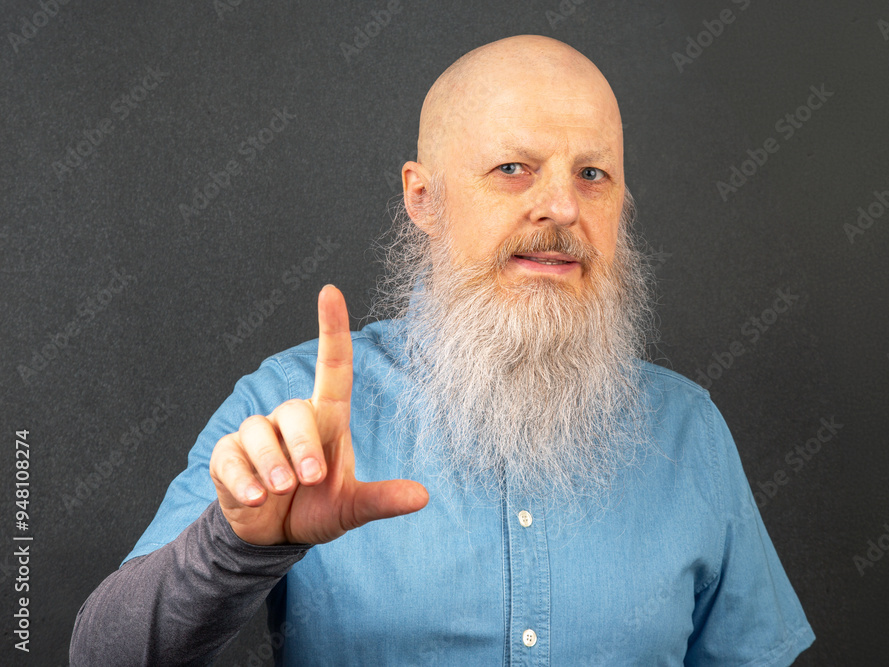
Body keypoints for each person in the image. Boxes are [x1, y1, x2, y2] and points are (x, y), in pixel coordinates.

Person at [70, 34, 815, 665]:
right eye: (514, 168)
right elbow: (98, 653)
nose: (561, 205)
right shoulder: (287, 408)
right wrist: (237, 548)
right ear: (423, 198)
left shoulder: (690, 430)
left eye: (593, 174)